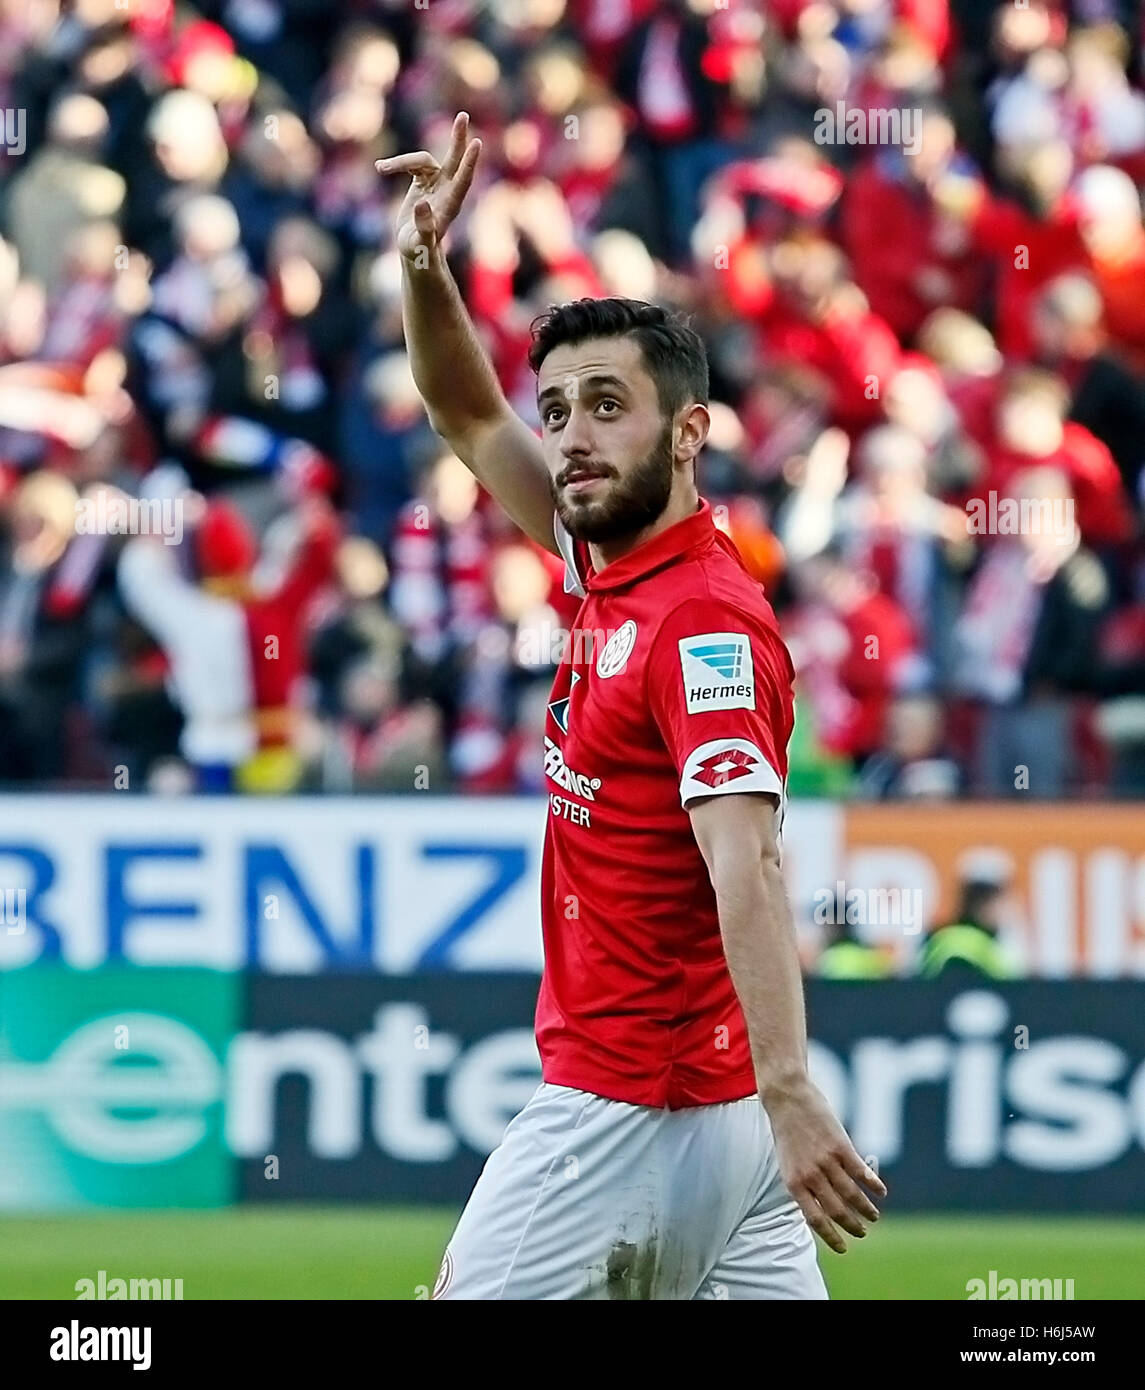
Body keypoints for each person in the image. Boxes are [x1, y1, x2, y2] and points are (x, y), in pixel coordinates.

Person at [377, 112, 885, 1302]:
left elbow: (746, 863)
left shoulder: (699, 626)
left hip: (628, 1107)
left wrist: (792, 1088)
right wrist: (422, 265)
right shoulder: (605, 567)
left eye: (605, 405)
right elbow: (463, 414)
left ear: (689, 431)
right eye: (556, 412)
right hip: (727, 1136)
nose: (566, 437)